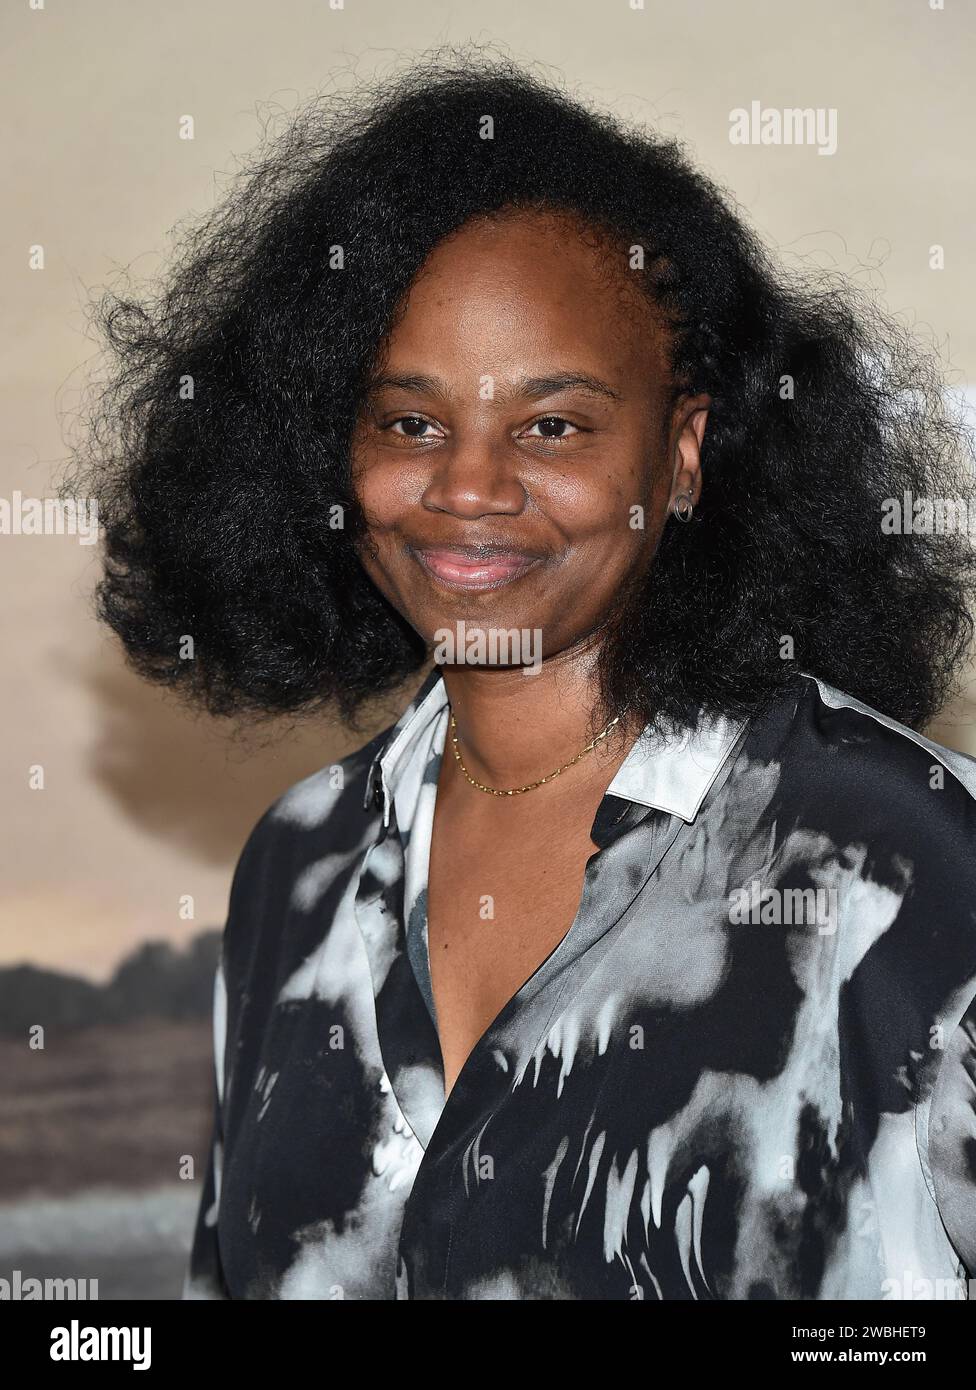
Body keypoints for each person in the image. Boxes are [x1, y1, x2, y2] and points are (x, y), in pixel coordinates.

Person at [73, 50, 976, 1300]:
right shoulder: (303, 859)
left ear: (683, 454)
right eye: (410, 422)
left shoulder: (904, 855)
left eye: (551, 425)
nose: (470, 488)